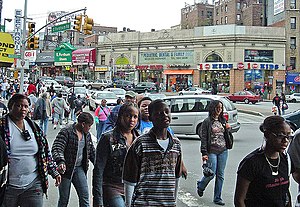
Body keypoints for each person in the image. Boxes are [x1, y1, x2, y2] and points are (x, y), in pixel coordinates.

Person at [0, 94, 61, 207]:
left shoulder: (34, 127)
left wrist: (54, 171)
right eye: (18, 106)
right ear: (10, 107)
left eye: (26, 106)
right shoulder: (2, 127)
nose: (23, 109)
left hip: (33, 184)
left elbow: (45, 152)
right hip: (8, 187)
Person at [123, 99, 183, 207]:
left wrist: (174, 202)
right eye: (159, 113)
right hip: (144, 203)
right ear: (150, 118)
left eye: (166, 111)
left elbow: (176, 178)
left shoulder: (176, 144)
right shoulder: (140, 144)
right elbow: (129, 180)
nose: (164, 115)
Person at [234, 116, 292, 207]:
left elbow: (285, 192)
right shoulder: (251, 163)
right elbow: (239, 200)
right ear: (267, 135)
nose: (285, 141)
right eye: (280, 135)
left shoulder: (285, 159)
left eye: (288, 136)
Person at [92, 102, 140, 207]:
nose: (132, 120)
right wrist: (98, 200)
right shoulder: (108, 138)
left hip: (134, 187)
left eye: (135, 117)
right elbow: (98, 170)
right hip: (112, 187)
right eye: (128, 116)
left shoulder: (140, 139)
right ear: (121, 116)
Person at [52, 112, 96, 207]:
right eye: (89, 125)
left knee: (84, 197)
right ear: (83, 124)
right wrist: (61, 161)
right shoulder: (66, 131)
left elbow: (92, 152)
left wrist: (100, 164)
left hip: (79, 169)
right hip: (66, 171)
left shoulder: (87, 135)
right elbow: (57, 147)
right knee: (64, 199)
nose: (90, 128)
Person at [197, 100, 231, 206]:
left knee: (220, 175)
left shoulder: (223, 121)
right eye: (217, 108)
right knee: (211, 174)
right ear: (212, 108)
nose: (219, 110)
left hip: (223, 150)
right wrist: (204, 153)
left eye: (220, 108)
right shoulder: (207, 122)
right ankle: (201, 185)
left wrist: (228, 129)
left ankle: (217, 197)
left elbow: (226, 135)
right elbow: (204, 138)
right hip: (212, 150)